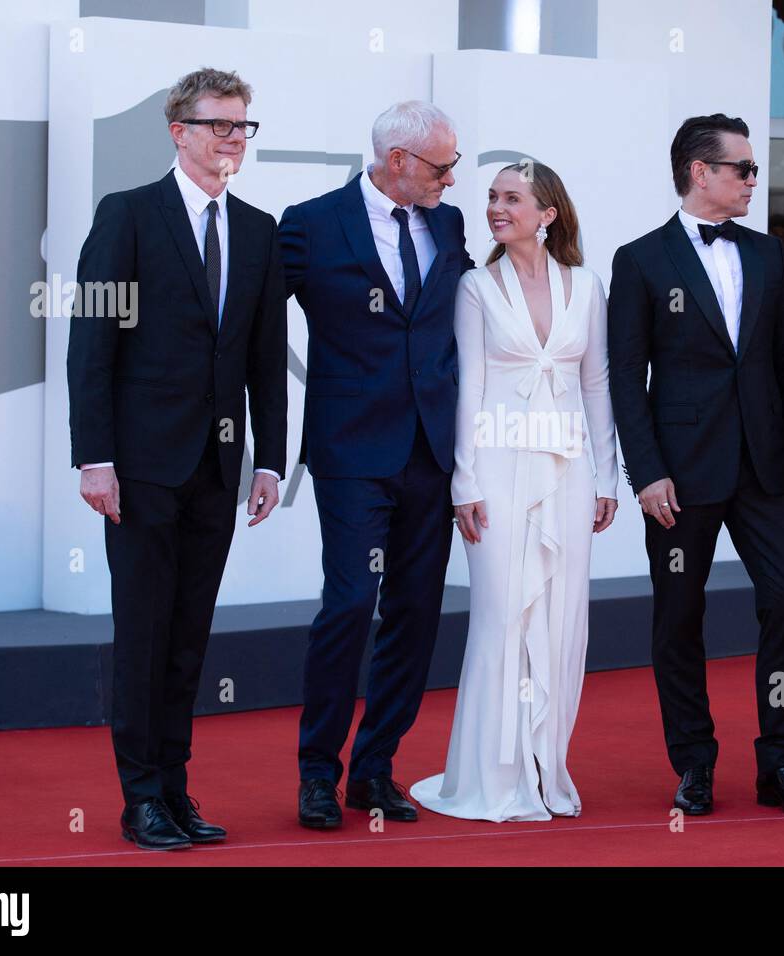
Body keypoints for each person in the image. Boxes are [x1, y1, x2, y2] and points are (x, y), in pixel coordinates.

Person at [67, 68, 288, 850]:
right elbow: (90, 346)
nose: (233, 137)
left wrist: (270, 460)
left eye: (243, 126)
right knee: (144, 632)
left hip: (220, 469)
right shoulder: (126, 215)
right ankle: (141, 800)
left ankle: (177, 788)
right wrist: (95, 458)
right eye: (218, 124)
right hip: (141, 467)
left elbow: (266, 355)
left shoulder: (260, 230)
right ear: (179, 131)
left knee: (190, 634)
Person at [609, 114, 784, 818]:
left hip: (765, 467)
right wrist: (645, 473)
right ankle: (695, 764)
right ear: (700, 172)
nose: (752, 181)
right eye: (742, 169)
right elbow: (625, 378)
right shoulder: (639, 259)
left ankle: (780, 764)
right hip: (681, 473)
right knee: (680, 617)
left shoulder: (768, 255)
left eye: (752, 169)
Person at [278, 101, 475, 829]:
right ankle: (315, 773)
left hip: (432, 451)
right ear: (397, 160)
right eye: (441, 165)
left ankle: (375, 769)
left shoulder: (447, 225)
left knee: (417, 613)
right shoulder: (309, 223)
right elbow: (252, 321)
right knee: (353, 601)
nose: (452, 180)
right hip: (352, 451)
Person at [410, 162, 619, 821]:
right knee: (503, 617)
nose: (496, 208)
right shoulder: (477, 286)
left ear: (548, 212)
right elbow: (467, 386)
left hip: (567, 469)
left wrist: (608, 476)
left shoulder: (586, 285)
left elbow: (597, 385)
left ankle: (542, 770)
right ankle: (491, 778)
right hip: (496, 469)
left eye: (512, 198)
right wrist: (463, 481)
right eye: (493, 197)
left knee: (558, 623)